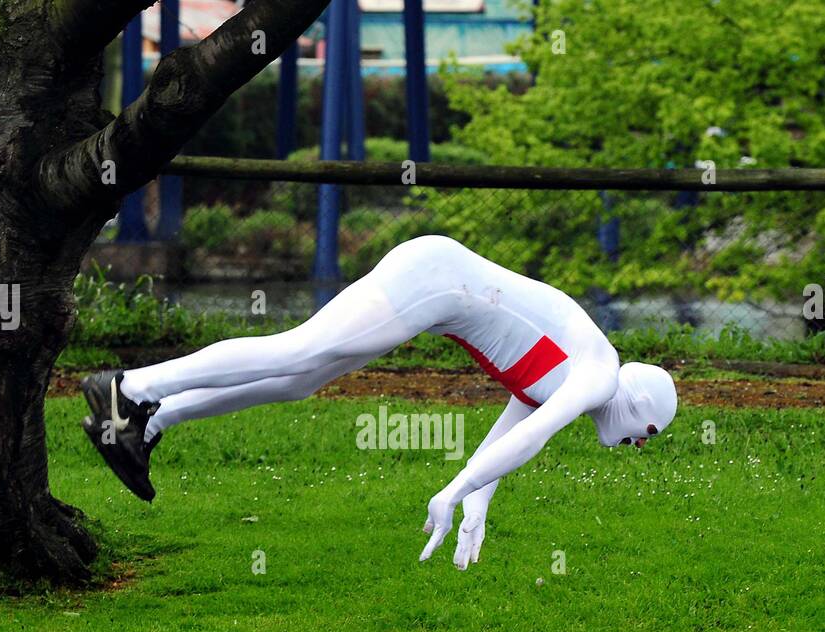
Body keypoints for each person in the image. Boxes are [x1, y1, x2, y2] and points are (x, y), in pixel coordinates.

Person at [81, 235, 677, 569]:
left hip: (438, 288)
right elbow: (534, 436)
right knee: (299, 350)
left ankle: (154, 422)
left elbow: (517, 424)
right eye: (649, 431)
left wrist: (478, 500)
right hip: (434, 280)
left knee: (300, 380)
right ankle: (131, 388)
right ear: (639, 402)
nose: (640, 444)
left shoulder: (575, 372)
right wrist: (453, 489)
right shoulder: (598, 376)